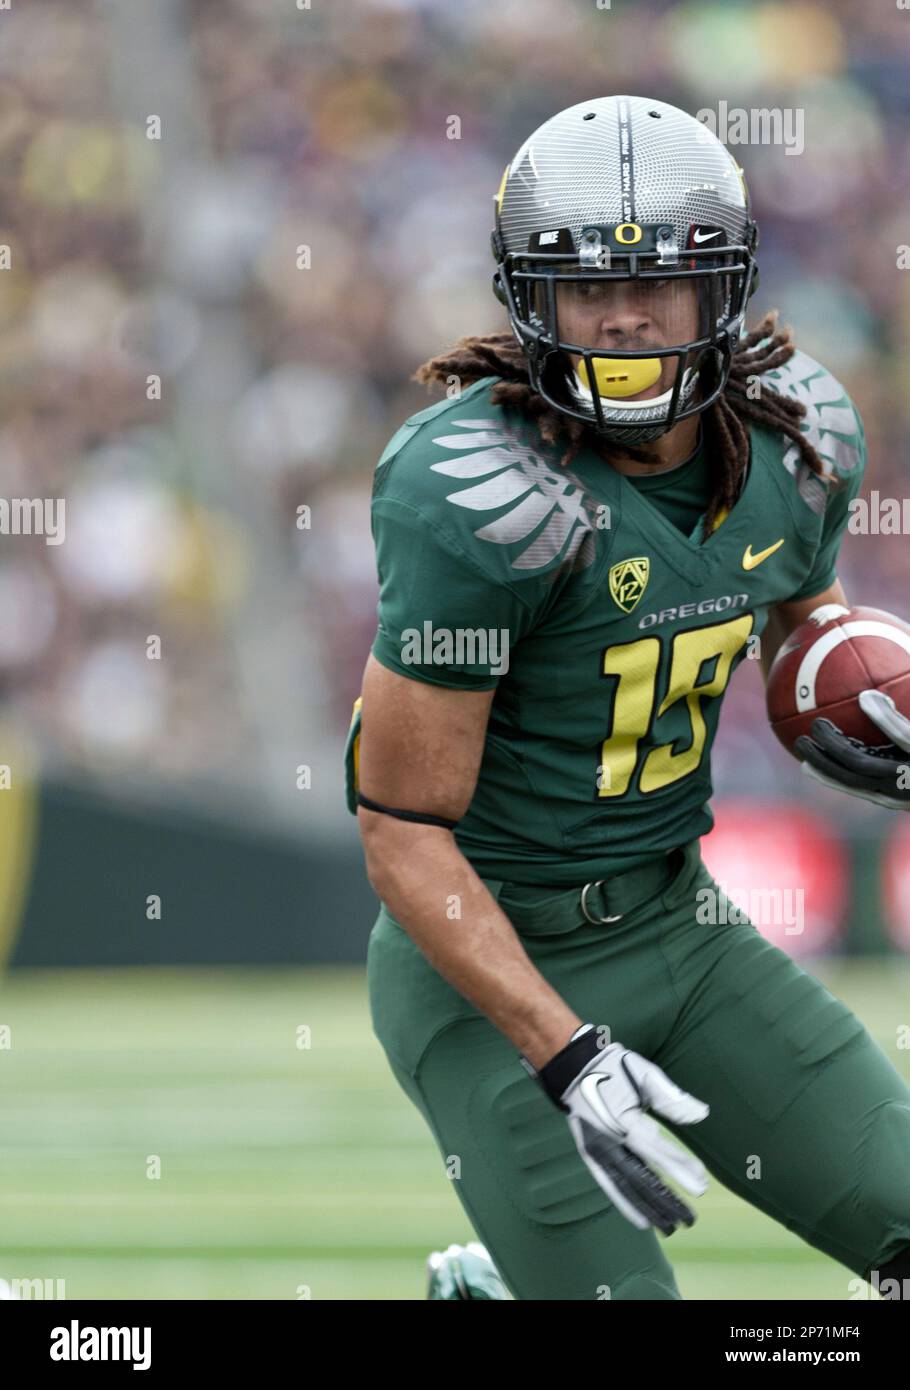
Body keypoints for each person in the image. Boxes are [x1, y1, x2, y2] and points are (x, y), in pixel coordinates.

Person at [345, 95, 910, 1300]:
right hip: (493, 971)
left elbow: (793, 614)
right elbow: (400, 827)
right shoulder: (475, 492)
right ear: (523, 301)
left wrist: (848, 685)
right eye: (583, 289)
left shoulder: (798, 436)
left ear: (726, 292)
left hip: (682, 931)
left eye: (661, 282)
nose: (622, 319)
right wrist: (559, 1050)